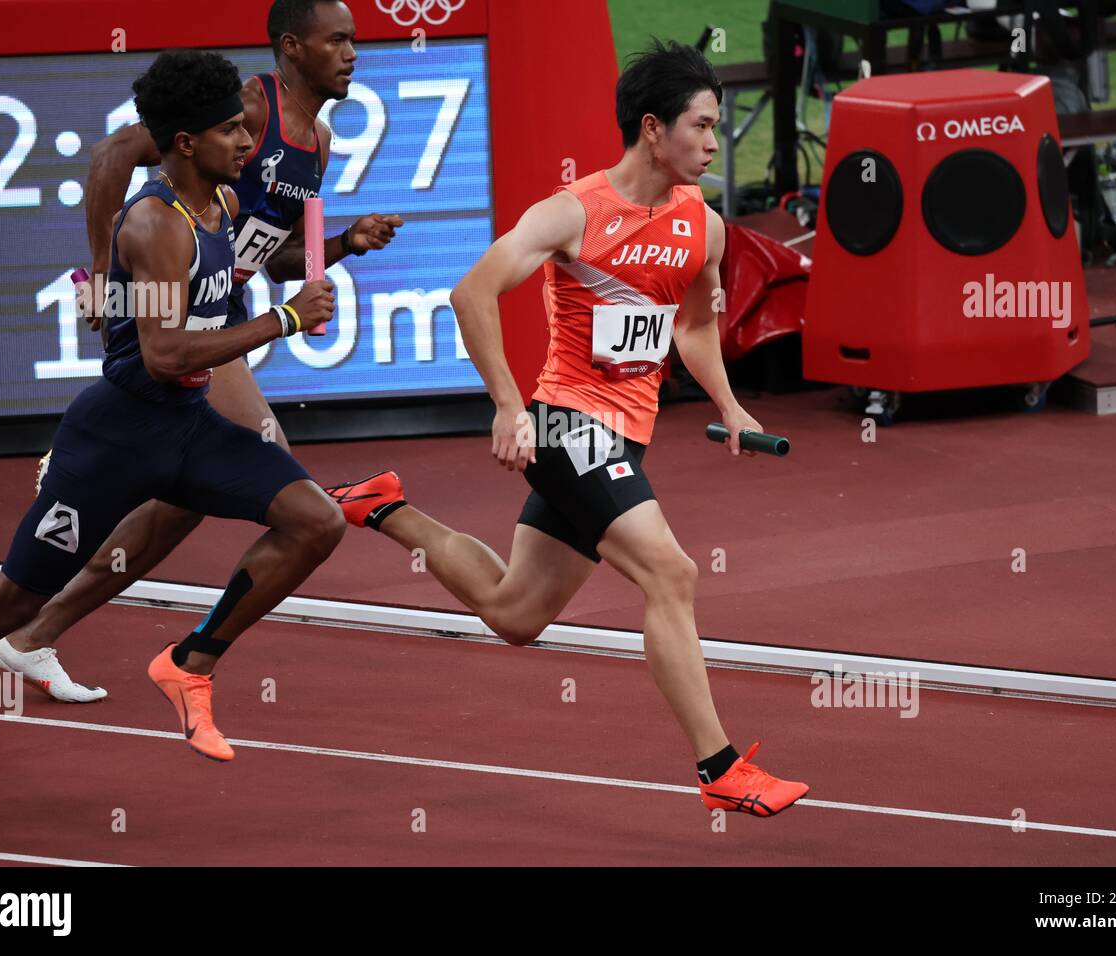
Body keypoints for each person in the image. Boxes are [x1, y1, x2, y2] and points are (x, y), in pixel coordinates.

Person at [328, 41, 810, 816]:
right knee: (672, 573)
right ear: (653, 129)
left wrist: (728, 405)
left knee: (515, 614)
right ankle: (720, 767)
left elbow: (689, 326)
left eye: (718, 127)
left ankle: (384, 506)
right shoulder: (571, 213)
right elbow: (471, 293)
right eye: (703, 126)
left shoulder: (704, 227)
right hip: (565, 423)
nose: (716, 144)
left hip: (627, 437)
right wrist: (510, 406)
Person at [0, 49, 347, 763]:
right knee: (8, 603)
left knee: (314, 520)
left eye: (246, 129)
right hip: (117, 436)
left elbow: (235, 296)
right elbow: (167, 355)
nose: (248, 143)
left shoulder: (226, 205)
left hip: (189, 429)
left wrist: (339, 249)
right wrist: (288, 320)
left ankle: (189, 660)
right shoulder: (155, 223)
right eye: (232, 132)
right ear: (186, 143)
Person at [0, 0, 401, 702]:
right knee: (274, 478)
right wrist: (102, 276)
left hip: (222, 314)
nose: (352, 53)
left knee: (185, 499)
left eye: (354, 41)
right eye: (337, 40)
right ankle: (98, 599)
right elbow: (114, 153)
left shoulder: (320, 142)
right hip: (177, 322)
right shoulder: (249, 107)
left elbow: (271, 263)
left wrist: (341, 246)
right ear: (292, 48)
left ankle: (34, 634)